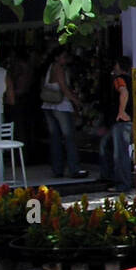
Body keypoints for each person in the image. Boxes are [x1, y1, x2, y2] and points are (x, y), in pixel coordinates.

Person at [40, 47, 88, 178]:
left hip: (48, 105)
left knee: (55, 138)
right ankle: (74, 168)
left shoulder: (50, 67)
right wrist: (76, 101)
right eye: (64, 56)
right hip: (60, 106)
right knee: (69, 138)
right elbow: (64, 88)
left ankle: (57, 168)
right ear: (57, 57)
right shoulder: (59, 68)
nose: (65, 59)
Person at [106, 57, 133, 192]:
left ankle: (122, 184)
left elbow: (124, 92)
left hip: (122, 122)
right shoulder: (133, 79)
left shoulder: (119, 80)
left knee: (120, 154)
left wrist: (121, 112)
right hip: (131, 120)